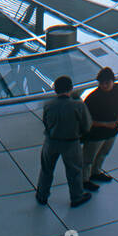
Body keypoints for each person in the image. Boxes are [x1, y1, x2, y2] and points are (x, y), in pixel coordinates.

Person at [35, 75, 92, 208]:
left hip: (51, 142)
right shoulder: (78, 105)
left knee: (46, 169)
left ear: (55, 90)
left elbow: (45, 122)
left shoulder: (48, 105)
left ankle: (42, 195)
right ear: (71, 88)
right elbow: (87, 125)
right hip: (71, 143)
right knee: (74, 171)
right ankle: (76, 197)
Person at [81, 67, 118, 187]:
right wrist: (106, 124)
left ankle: (96, 172)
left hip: (112, 131)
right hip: (96, 134)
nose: (104, 85)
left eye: (107, 82)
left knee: (103, 153)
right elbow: (87, 121)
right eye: (102, 83)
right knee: (87, 159)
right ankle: (84, 180)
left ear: (113, 81)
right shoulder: (92, 98)